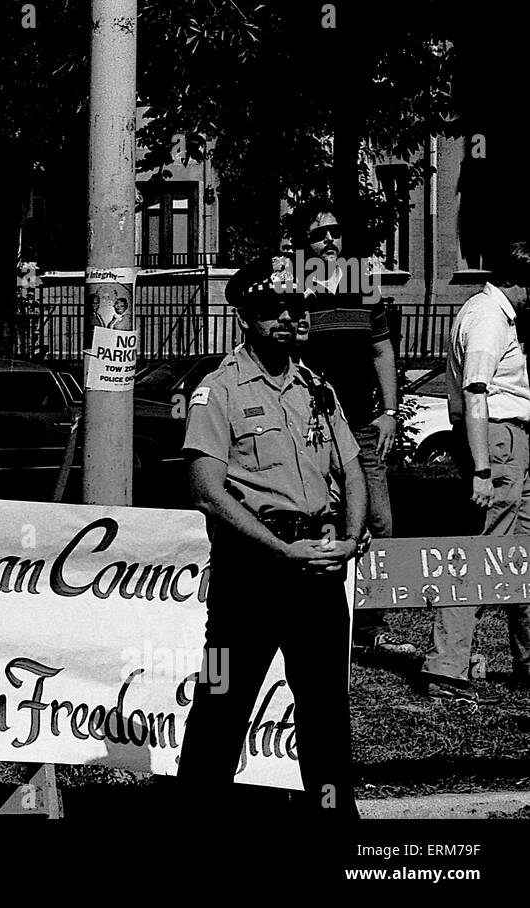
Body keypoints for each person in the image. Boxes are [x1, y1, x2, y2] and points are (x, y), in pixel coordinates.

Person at [177, 254, 366, 819]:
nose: (290, 318)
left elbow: (352, 470)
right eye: (274, 310)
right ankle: (196, 817)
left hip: (319, 570)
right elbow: (208, 491)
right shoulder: (218, 391)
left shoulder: (318, 389)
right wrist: (282, 549)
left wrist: (352, 539)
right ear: (246, 318)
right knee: (219, 699)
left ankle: (335, 818)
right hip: (249, 575)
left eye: (298, 307)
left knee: (326, 710)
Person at [294, 205, 414, 660]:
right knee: (314, 516)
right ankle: (316, 619)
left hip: (363, 425)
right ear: (304, 243)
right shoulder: (294, 284)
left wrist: (390, 411)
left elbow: (382, 351)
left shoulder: (362, 280)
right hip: (313, 425)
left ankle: (369, 627)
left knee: (378, 521)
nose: (328, 240)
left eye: (335, 230)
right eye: (318, 233)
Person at [420, 242, 530, 704]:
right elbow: (476, 393)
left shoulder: (491, 313)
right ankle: (447, 669)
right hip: (499, 439)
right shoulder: (487, 318)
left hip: (511, 439)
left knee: (521, 553)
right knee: (481, 550)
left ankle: (525, 662)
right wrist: (483, 469)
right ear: (517, 279)